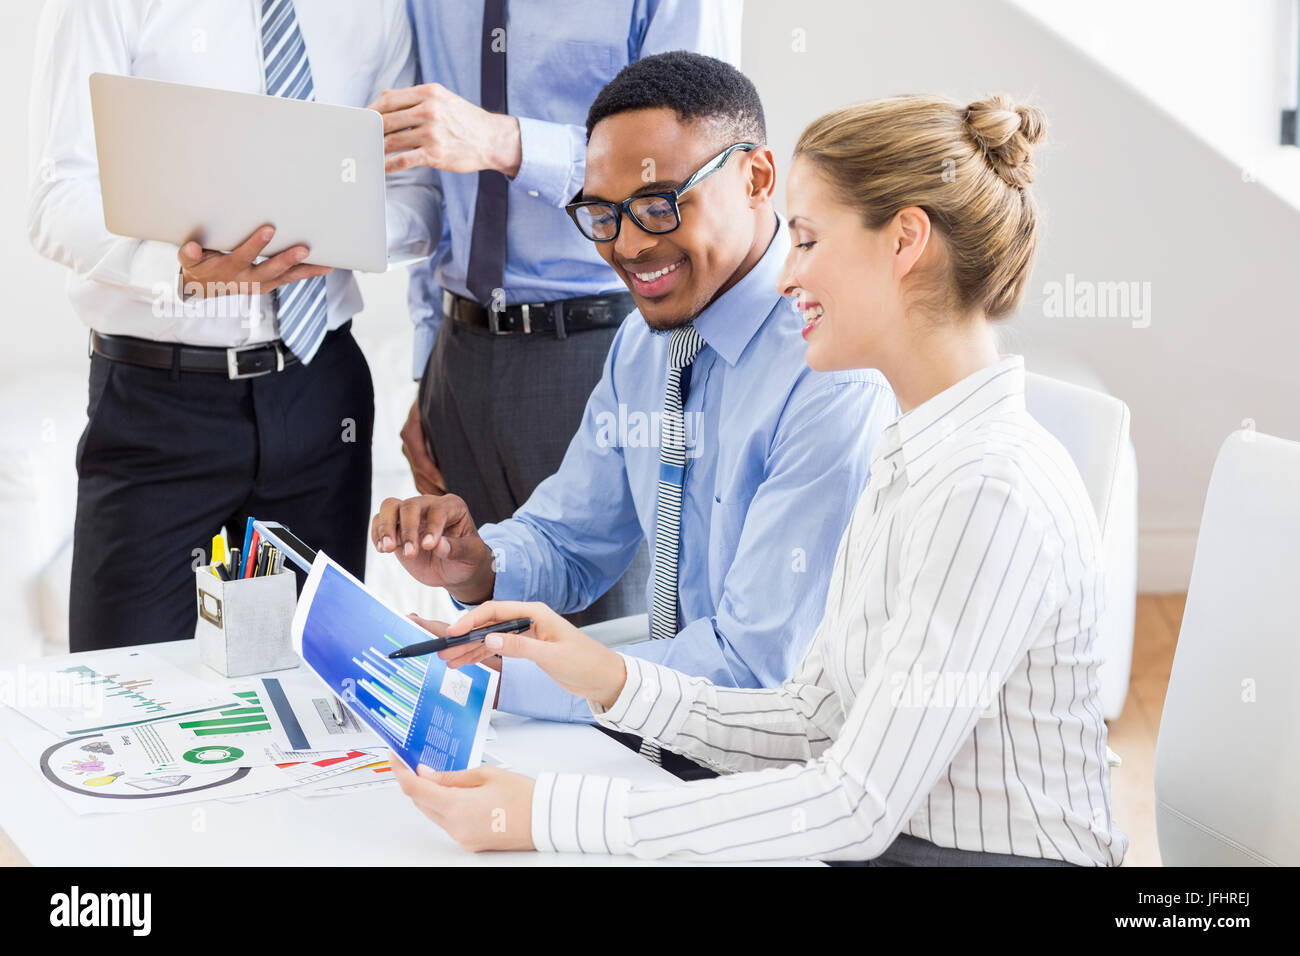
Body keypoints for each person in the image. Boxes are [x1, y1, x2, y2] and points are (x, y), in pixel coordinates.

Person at [386, 93, 1131, 866]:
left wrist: (551, 813)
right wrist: (604, 676)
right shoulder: (917, 454)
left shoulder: (987, 487)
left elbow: (855, 802)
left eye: (807, 241)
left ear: (905, 240)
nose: (786, 277)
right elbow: (815, 720)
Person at [371, 53, 897, 775]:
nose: (628, 245)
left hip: (792, 771)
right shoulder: (644, 344)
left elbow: (755, 664)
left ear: (757, 179)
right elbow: (574, 538)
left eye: (659, 205)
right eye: (602, 213)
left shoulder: (831, 366)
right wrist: (482, 563)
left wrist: (499, 675)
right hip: (667, 733)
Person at [28, 0, 439, 651]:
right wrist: (179, 270)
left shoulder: (377, 8)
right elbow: (58, 196)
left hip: (319, 393)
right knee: (126, 687)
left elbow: (419, 193)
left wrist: (334, 237)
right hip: (158, 402)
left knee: (310, 687)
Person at [370, 0, 742, 625]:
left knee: (610, 649)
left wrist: (506, 142)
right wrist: (428, 369)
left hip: (603, 344)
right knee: (480, 628)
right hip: (461, 360)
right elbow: (428, 186)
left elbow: (700, 160)